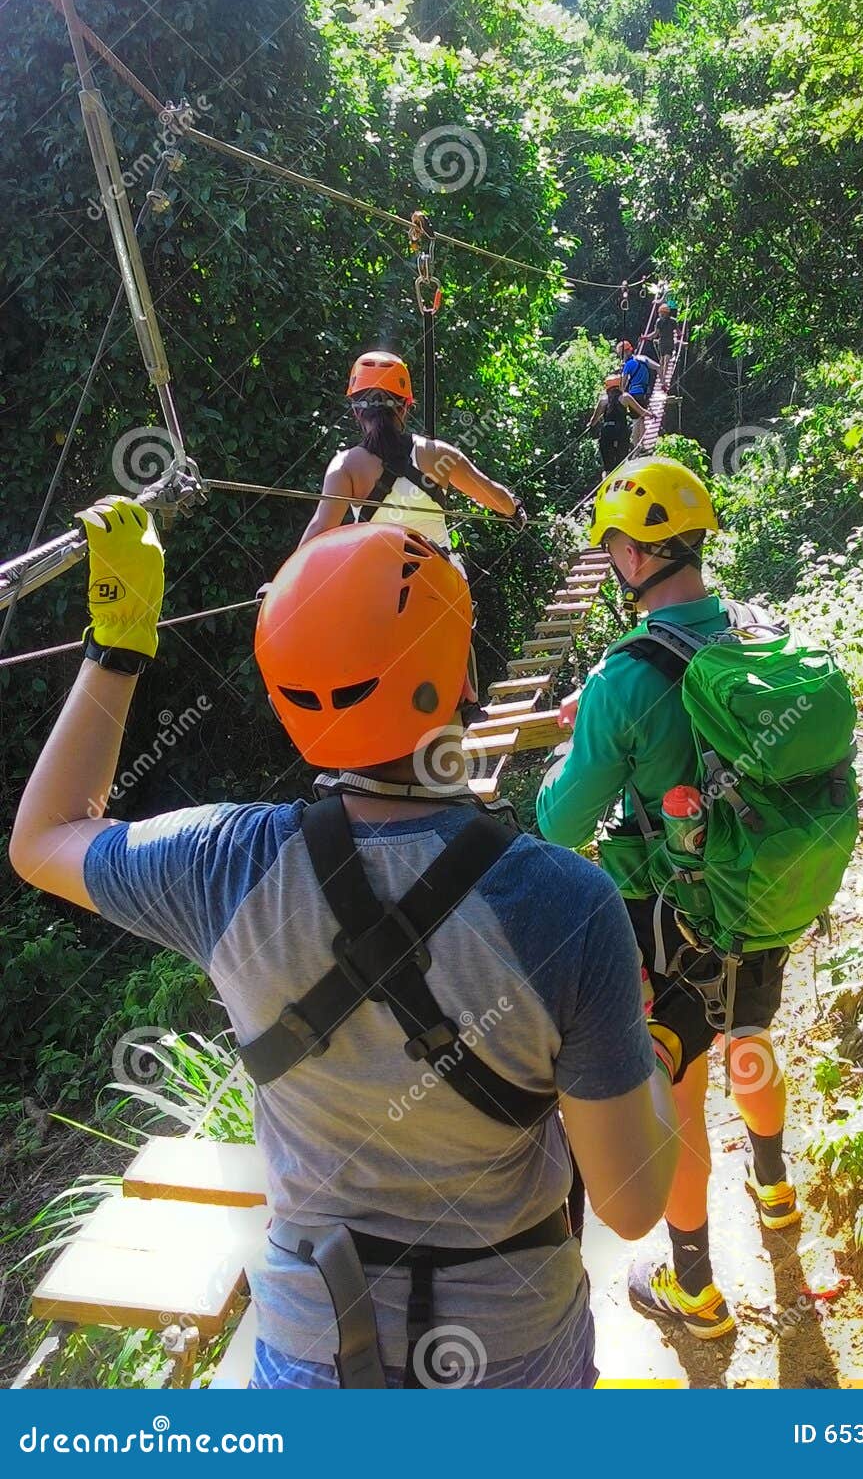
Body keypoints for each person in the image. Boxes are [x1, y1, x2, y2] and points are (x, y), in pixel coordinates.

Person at [10, 502, 681, 1390]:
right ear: (461, 676)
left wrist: (119, 648)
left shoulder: (223, 864)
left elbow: (42, 836)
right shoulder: (565, 902)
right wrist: (657, 1054)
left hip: (313, 1351)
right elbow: (632, 1204)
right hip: (513, 1350)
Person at [535, 460, 799, 1343]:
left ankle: (694, 1286)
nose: (609, 559)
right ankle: (774, 1188)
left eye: (611, 544)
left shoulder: (624, 679)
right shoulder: (759, 633)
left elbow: (559, 819)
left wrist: (587, 731)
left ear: (635, 554)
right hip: (758, 896)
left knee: (678, 1092)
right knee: (751, 1038)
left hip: (669, 923)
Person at [298, 351, 527, 570]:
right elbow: (494, 497)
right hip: (438, 579)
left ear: (356, 411)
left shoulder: (345, 465)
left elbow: (321, 528)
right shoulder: (439, 454)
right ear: (405, 407)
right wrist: (514, 508)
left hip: (377, 580)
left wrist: (280, 585)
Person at [587, 374, 647, 474]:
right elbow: (642, 412)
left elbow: (594, 420)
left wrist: (590, 426)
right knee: (621, 462)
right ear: (619, 386)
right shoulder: (625, 397)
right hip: (621, 431)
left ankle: (607, 483)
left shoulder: (603, 400)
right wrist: (652, 415)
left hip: (607, 431)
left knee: (608, 467)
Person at [618, 341, 659, 450]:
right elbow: (658, 367)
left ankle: (636, 447)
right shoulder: (643, 359)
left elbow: (623, 385)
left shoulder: (628, 365)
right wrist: (663, 383)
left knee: (636, 420)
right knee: (642, 419)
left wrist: (622, 398)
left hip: (634, 395)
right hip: (645, 393)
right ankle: (644, 445)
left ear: (625, 353)